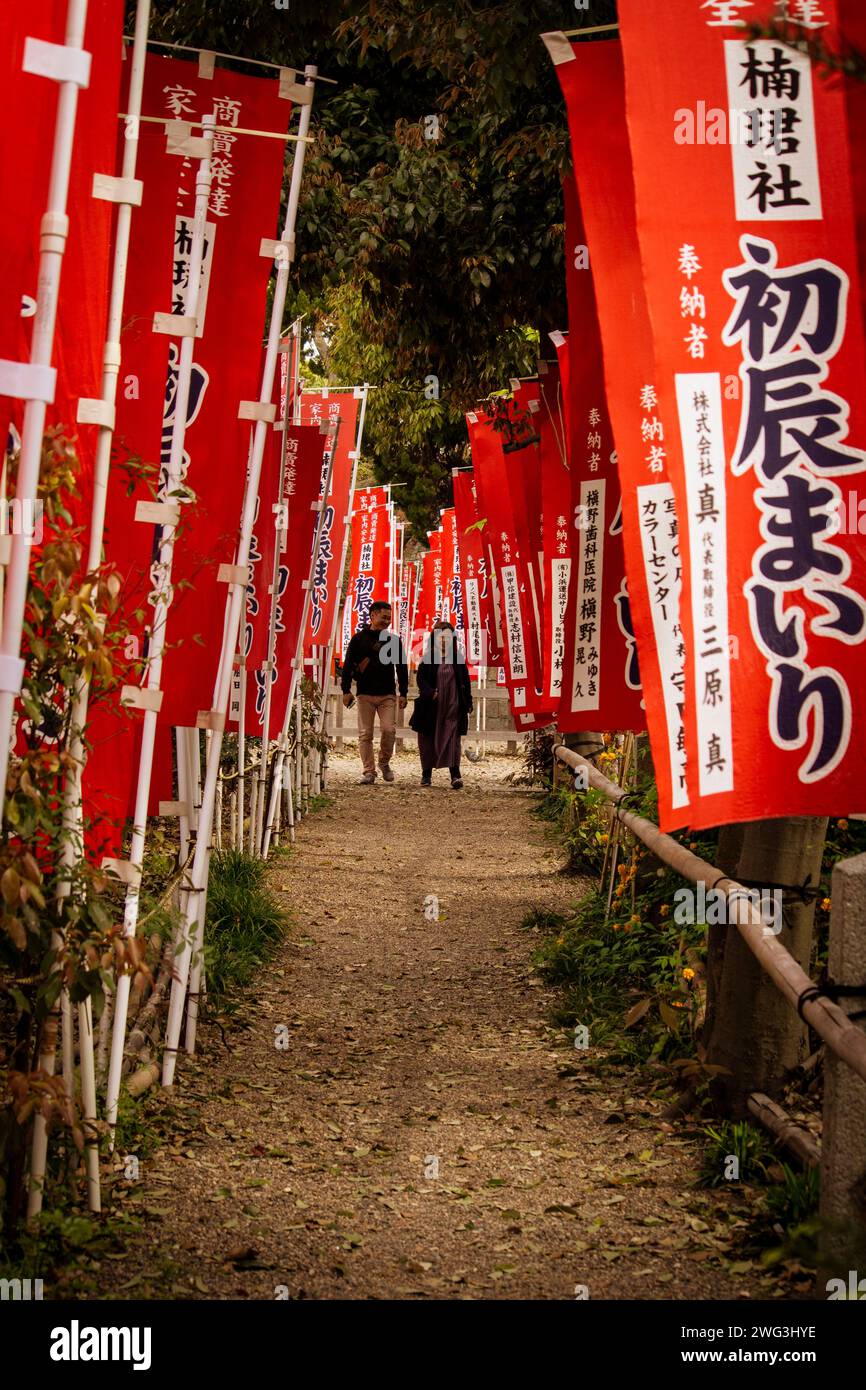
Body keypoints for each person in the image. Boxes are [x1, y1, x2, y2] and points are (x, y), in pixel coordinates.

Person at [341, 600, 408, 784]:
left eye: (389, 618)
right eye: (384, 617)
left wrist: (403, 692)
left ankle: (384, 762)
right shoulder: (358, 639)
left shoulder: (394, 641)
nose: (387, 621)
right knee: (365, 734)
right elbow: (347, 666)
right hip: (364, 694)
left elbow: (401, 667)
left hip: (387, 693)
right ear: (373, 615)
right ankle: (369, 771)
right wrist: (345, 690)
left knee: (389, 730)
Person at [410, 620, 472, 789]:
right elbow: (421, 680)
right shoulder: (428, 658)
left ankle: (455, 774)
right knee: (427, 739)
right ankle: (426, 775)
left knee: (453, 738)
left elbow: (465, 681)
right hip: (432, 706)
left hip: (452, 704)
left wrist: (468, 701)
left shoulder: (457, 659)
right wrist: (430, 692)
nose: (443, 640)